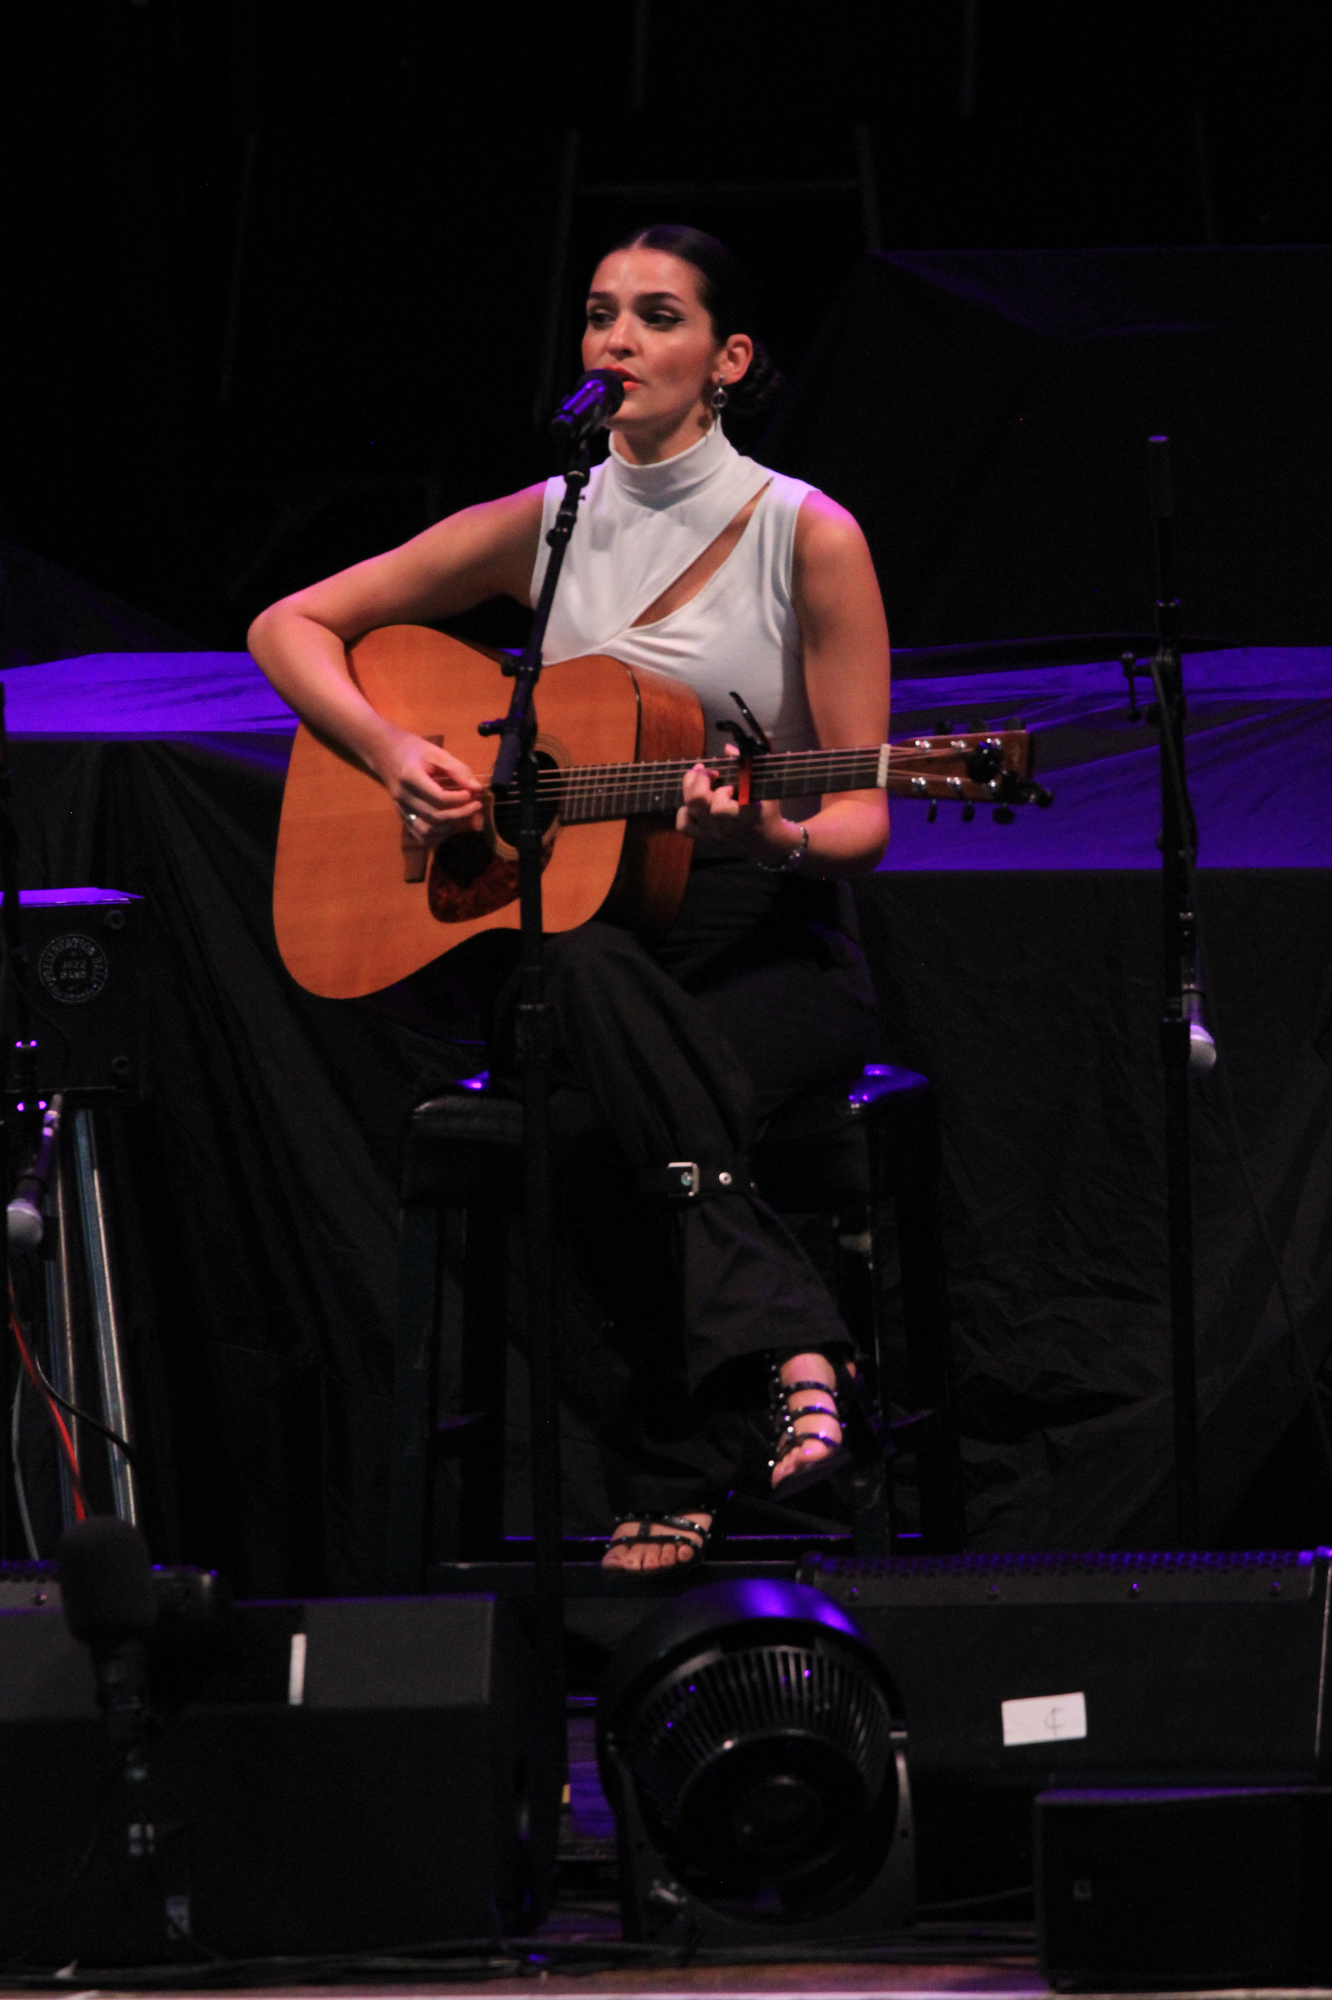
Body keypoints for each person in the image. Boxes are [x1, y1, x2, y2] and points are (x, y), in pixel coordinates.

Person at [248, 223, 891, 1575]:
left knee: (600, 1116)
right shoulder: (549, 524)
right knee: (583, 972)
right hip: (586, 943)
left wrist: (774, 825)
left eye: (657, 317)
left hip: (759, 945)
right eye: (602, 314)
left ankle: (677, 1461)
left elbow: (865, 811)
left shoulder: (805, 534)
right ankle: (787, 1342)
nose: (617, 341)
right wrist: (397, 755)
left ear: (729, 359)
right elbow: (288, 625)